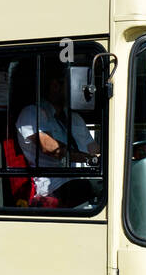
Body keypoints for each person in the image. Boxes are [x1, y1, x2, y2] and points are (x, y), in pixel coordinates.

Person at [15, 63, 100, 208]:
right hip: (53, 186)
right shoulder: (32, 113)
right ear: (55, 86)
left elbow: (94, 149)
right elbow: (50, 148)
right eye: (73, 85)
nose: (79, 90)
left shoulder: (75, 118)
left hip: (80, 180)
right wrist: (87, 158)